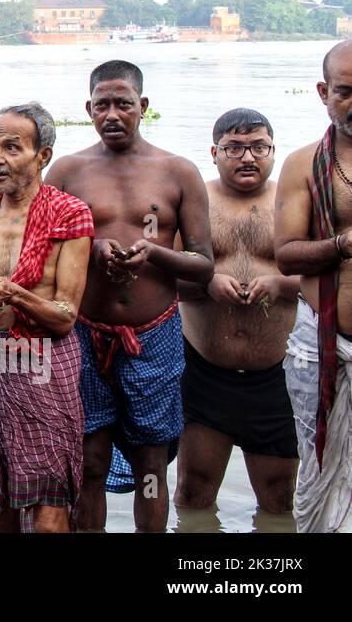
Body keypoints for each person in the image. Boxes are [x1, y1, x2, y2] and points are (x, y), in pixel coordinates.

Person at [46, 59, 213, 532]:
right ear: (88, 109)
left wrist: (156, 255)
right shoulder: (67, 171)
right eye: (103, 105)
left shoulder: (177, 171)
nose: (113, 114)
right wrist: (88, 249)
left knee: (151, 465)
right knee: (88, 459)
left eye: (124, 104)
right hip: (84, 332)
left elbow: (203, 266)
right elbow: (38, 258)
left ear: (144, 106)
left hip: (154, 333)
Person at [0, 103, 93, 532]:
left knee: (49, 519)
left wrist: (14, 293)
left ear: (42, 156)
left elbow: (65, 316)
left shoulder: (70, 214)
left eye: (12, 148)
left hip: (46, 368)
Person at [175, 108, 299, 515]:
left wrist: (283, 285)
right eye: (234, 148)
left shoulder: (293, 203)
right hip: (204, 371)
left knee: (279, 501)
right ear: (213, 152)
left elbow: (331, 279)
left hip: (278, 375)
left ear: (273, 150)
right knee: (193, 494)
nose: (248, 157)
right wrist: (204, 283)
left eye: (258, 147)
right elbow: (160, 279)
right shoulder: (196, 202)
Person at [274, 39, 352, 532]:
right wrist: (344, 245)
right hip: (318, 343)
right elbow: (286, 255)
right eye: (346, 91)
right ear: (324, 92)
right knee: (320, 467)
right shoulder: (304, 164)